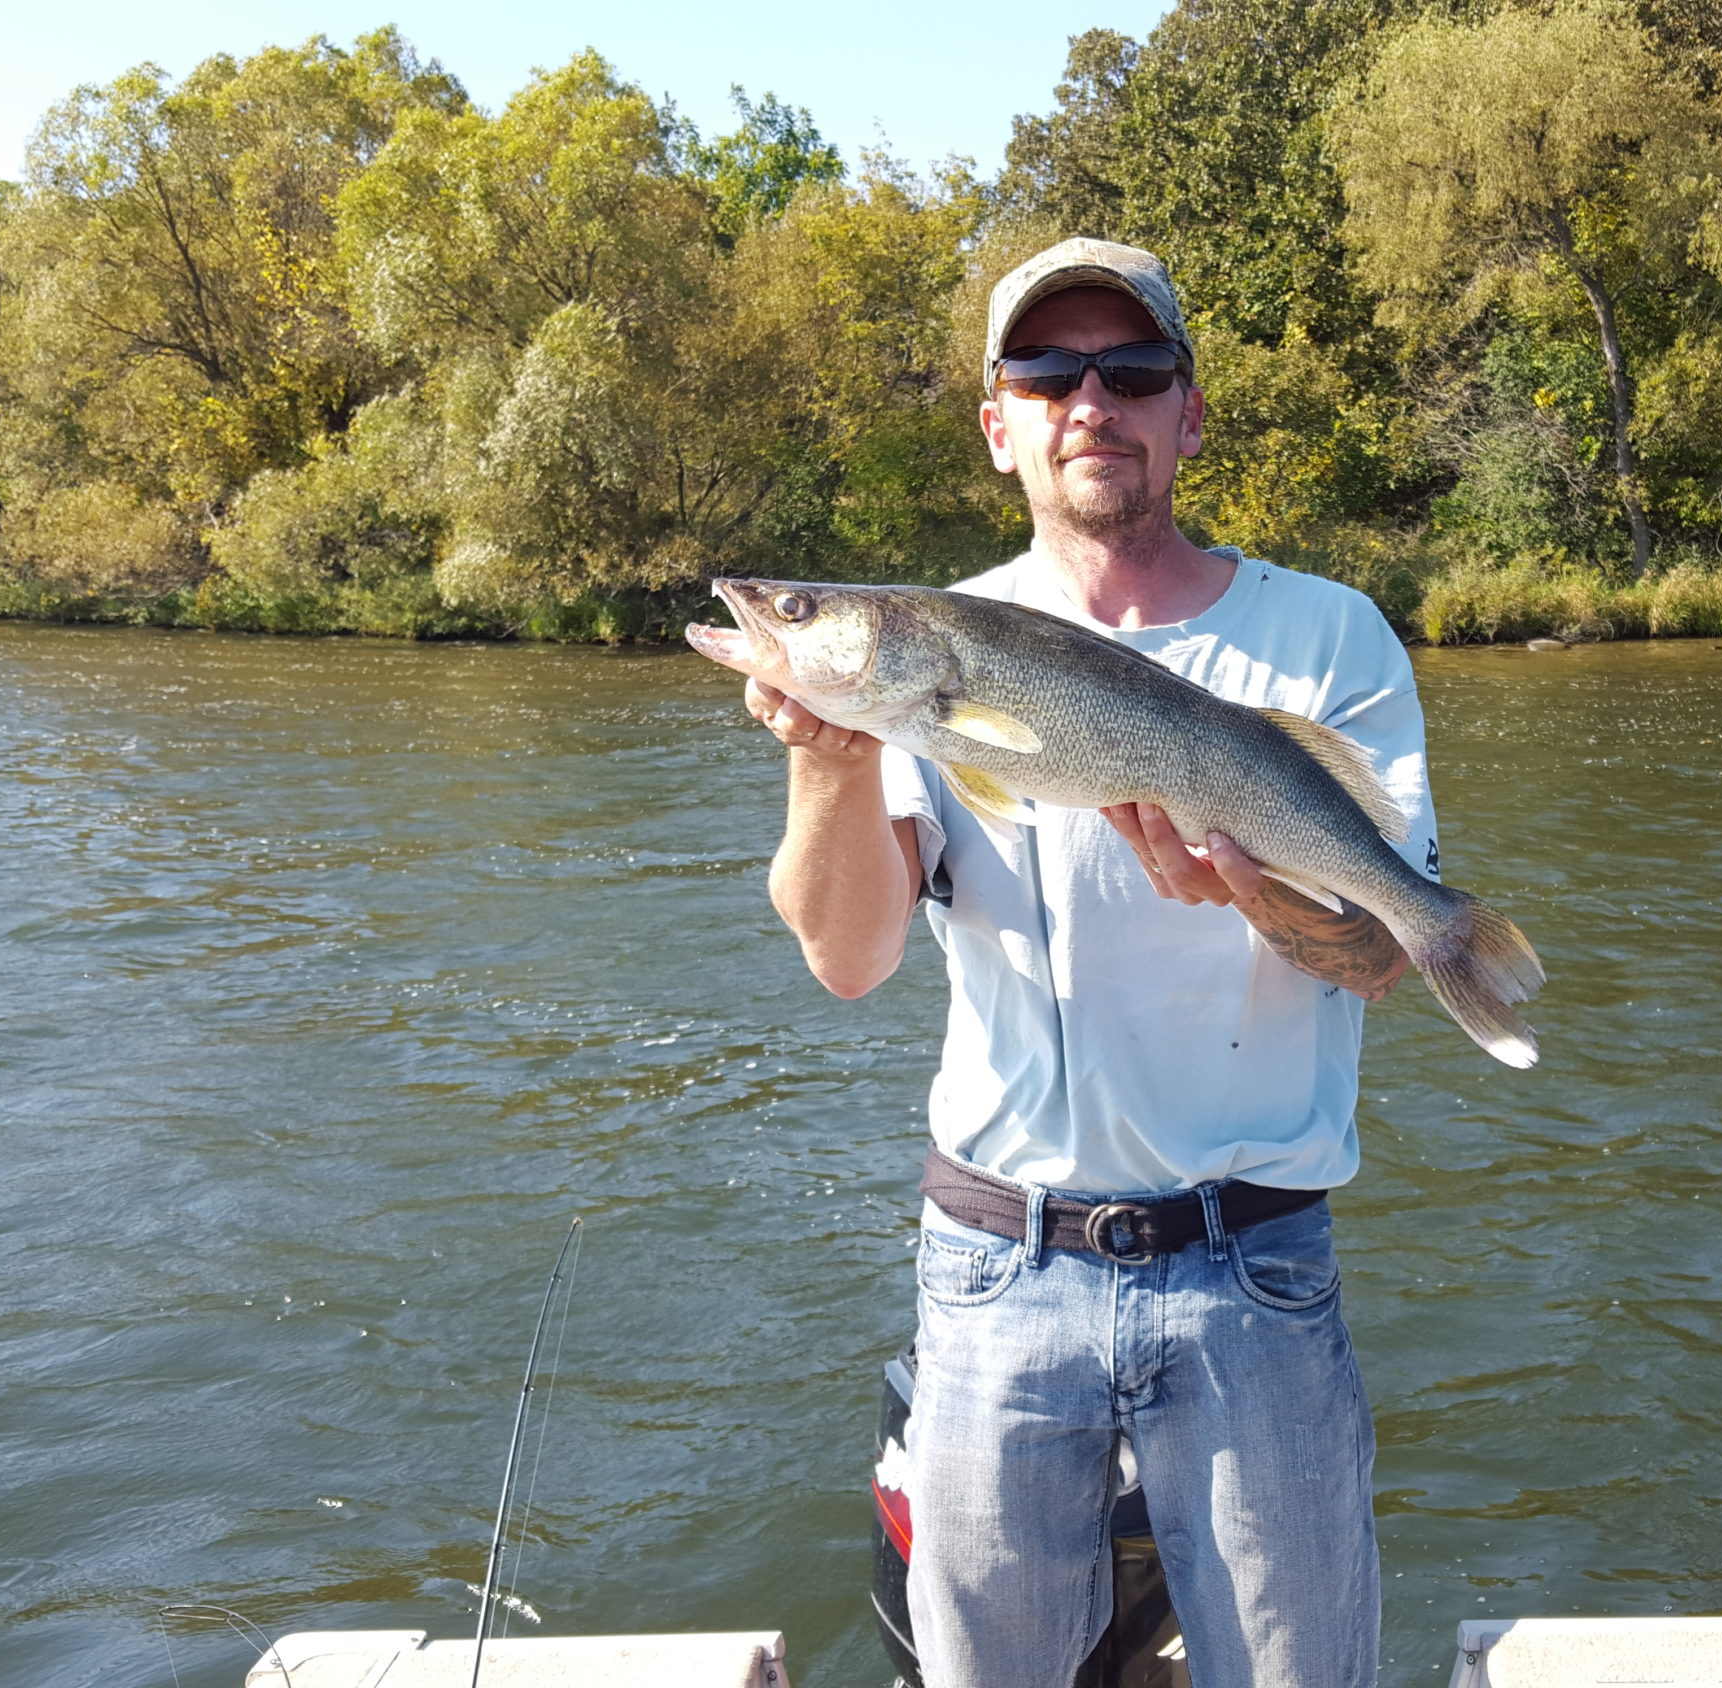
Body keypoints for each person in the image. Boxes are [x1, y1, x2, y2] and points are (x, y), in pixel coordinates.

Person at [739, 239, 1440, 1688]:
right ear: (998, 424)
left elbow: (1380, 954)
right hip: (996, 1267)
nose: (1091, 402)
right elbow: (850, 958)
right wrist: (828, 758)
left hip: (1257, 1267)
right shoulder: (928, 660)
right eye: (1048, 371)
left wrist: (1255, 896)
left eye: (1133, 370)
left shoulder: (1328, 638)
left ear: (1190, 413)